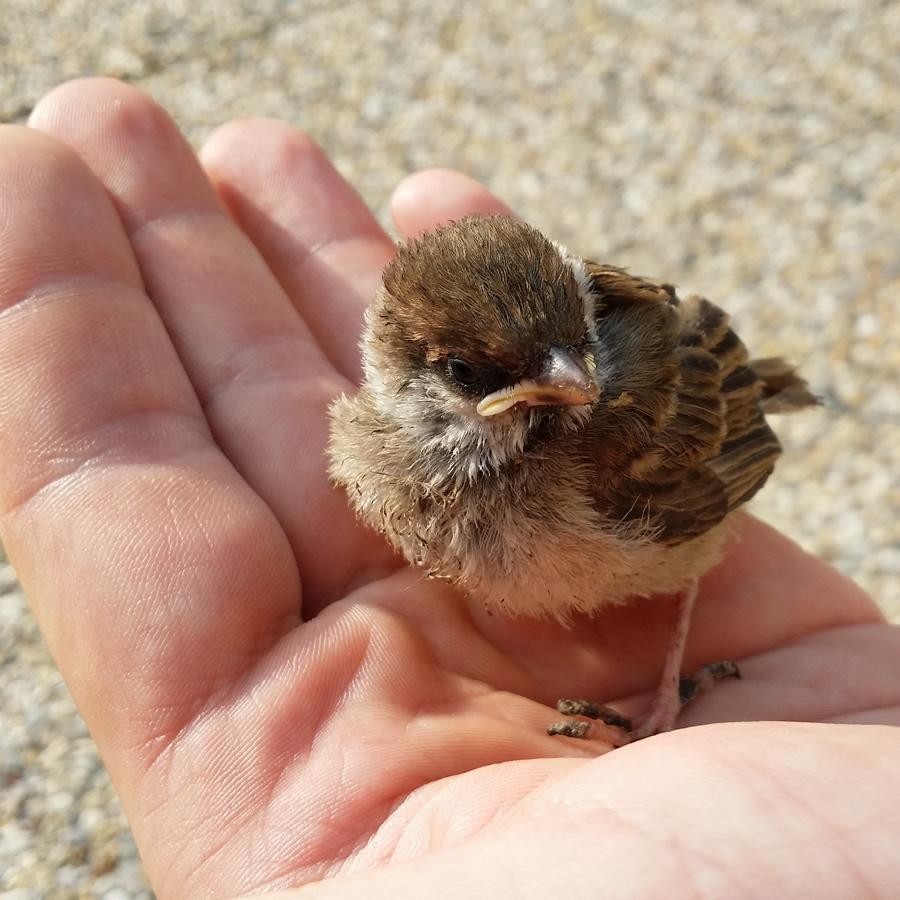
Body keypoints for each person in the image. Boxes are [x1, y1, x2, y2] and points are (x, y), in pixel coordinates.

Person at [0, 78, 897, 899]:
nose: (571, 380)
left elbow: (710, 494)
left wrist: (669, 697)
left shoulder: (601, 439)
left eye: (572, 347)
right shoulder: (368, 443)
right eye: (474, 373)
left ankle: (664, 684)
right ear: (398, 367)